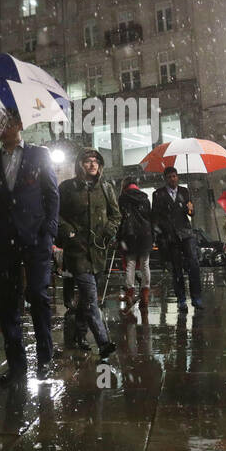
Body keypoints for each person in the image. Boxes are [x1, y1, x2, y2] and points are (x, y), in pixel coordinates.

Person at [0, 112, 60, 383]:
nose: (2, 127)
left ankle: (45, 358)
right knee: (7, 302)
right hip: (3, 239)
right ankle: (16, 365)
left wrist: (49, 233)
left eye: (6, 122)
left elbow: (52, 194)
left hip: (36, 237)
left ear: (19, 125)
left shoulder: (39, 154)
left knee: (38, 297)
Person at [56, 149, 119, 359]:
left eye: (95, 161)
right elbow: (56, 214)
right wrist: (69, 233)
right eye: (87, 161)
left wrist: (109, 232)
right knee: (91, 297)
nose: (92, 164)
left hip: (99, 251)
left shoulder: (107, 188)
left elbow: (116, 215)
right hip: (78, 252)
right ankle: (103, 342)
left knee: (86, 299)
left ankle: (79, 335)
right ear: (79, 164)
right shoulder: (67, 188)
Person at [151, 165, 202, 309]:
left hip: (186, 233)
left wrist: (191, 210)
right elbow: (155, 215)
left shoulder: (185, 191)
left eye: (174, 176)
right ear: (165, 179)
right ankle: (181, 300)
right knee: (176, 268)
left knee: (193, 264)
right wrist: (159, 233)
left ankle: (196, 297)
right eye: (169, 177)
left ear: (177, 177)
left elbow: (191, 213)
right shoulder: (158, 194)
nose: (172, 179)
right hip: (170, 236)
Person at [118, 179, 153, 315]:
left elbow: (121, 217)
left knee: (130, 264)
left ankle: (130, 294)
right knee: (145, 264)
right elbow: (149, 217)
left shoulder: (123, 198)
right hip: (145, 234)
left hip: (130, 234)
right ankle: (144, 295)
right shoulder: (144, 198)